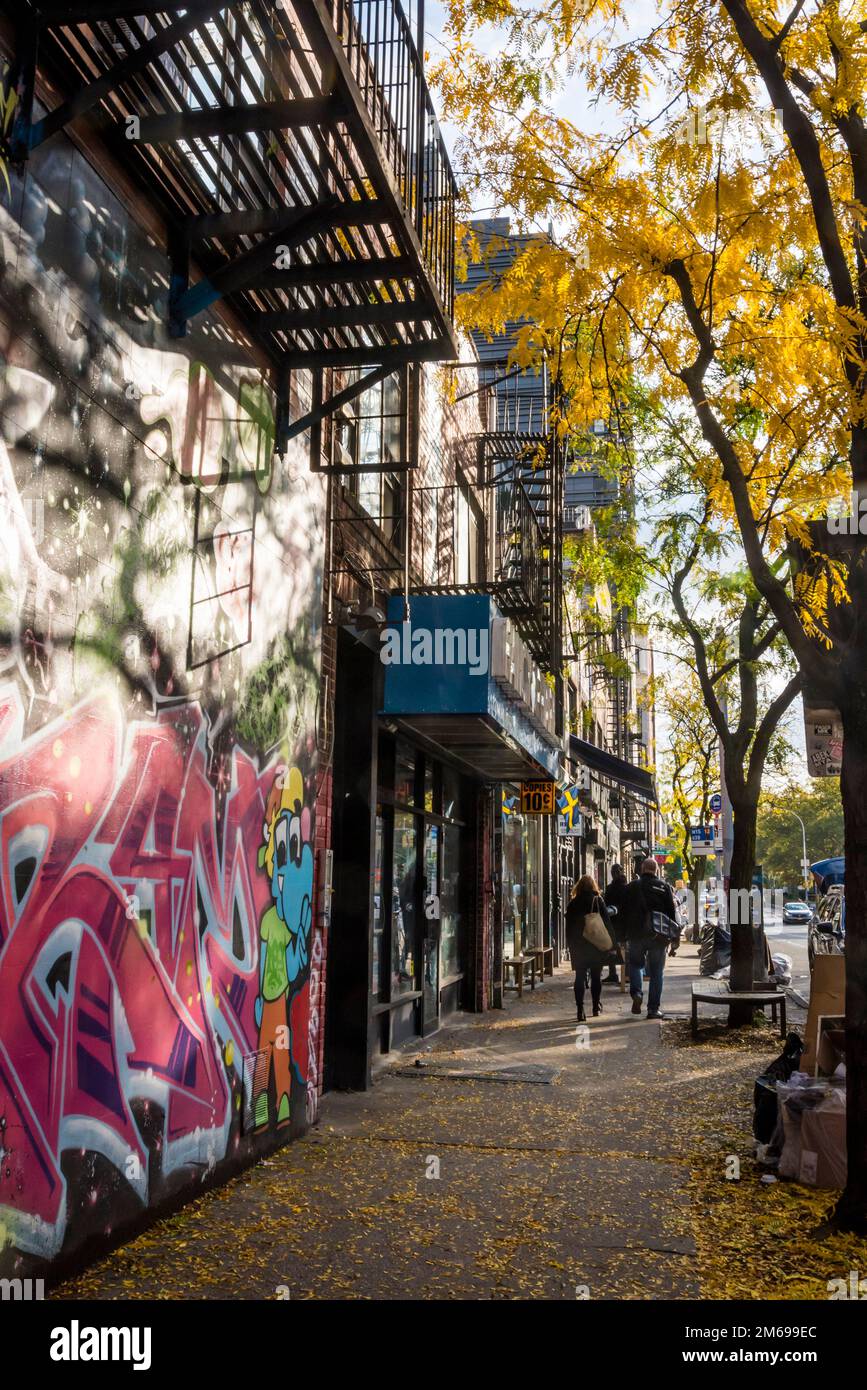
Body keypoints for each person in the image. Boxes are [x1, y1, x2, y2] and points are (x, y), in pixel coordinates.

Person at [619, 857, 680, 1019]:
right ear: (656, 871)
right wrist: (673, 938)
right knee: (656, 972)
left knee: (636, 965)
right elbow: (671, 914)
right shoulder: (664, 887)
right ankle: (653, 1009)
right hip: (658, 937)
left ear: (641, 869)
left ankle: (637, 993)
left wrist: (622, 936)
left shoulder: (631, 887)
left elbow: (622, 912)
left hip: (635, 934)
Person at [565, 874, 614, 1022]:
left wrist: (570, 946)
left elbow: (568, 928)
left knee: (579, 977)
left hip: (579, 945)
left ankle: (580, 1010)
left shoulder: (573, 903)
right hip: (596, 944)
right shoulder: (598, 901)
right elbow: (607, 923)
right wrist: (613, 944)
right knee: (595, 976)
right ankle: (595, 1007)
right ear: (593, 886)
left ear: (578, 887)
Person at [603, 863, 628, 982]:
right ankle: (620, 974)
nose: (614, 874)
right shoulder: (625, 888)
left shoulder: (615, 888)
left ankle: (619, 974)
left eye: (616, 871)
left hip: (616, 923)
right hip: (619, 923)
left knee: (615, 948)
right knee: (617, 948)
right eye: (613, 872)